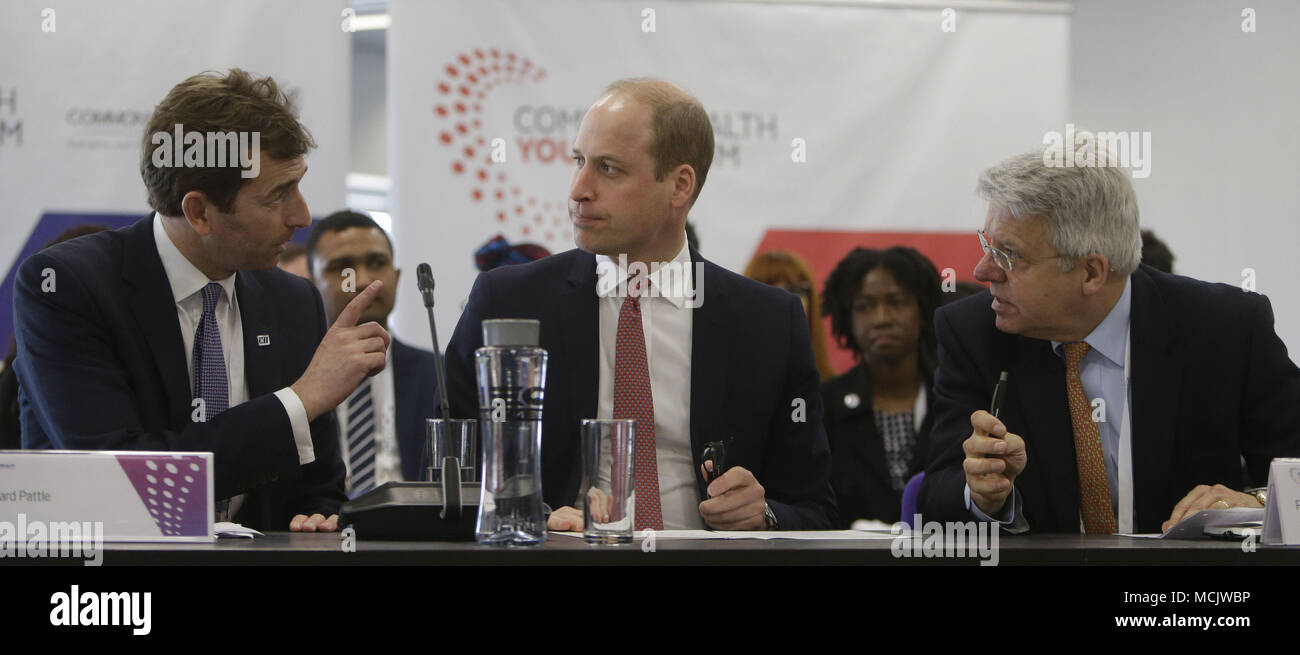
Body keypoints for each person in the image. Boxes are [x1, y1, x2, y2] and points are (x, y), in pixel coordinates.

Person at [445, 78, 836, 531]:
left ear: (679, 186)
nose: (578, 189)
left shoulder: (768, 322)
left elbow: (816, 510)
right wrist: (535, 521)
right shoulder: (508, 302)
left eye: (608, 168)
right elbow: (445, 484)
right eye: (578, 161)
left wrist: (764, 514)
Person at [13, 69, 392, 532]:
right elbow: (119, 479)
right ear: (199, 212)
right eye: (278, 196)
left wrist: (314, 520)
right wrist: (299, 400)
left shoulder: (293, 302)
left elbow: (319, 486)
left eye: (298, 184)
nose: (302, 215)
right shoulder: (67, 287)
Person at [919, 141, 1300, 534]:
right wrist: (982, 495)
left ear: (1091, 273)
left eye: (1009, 255)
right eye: (988, 246)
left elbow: (1295, 467)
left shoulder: (1225, 327)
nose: (983, 271)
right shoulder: (972, 334)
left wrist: (1256, 501)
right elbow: (933, 498)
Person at [305, 210, 440, 495]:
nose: (364, 280)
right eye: (344, 267)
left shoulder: (440, 374)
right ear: (312, 282)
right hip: (318, 531)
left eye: (377, 263)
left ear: (397, 276)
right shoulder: (290, 375)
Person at [819, 247, 942, 525]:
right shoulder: (824, 405)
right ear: (846, 317)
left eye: (896, 302)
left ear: (922, 310)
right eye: (864, 306)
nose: (881, 318)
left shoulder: (954, 398)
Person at [743, 250, 835, 381]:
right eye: (768, 290)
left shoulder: (837, 392)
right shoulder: (721, 388)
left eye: (795, 290)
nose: (783, 301)